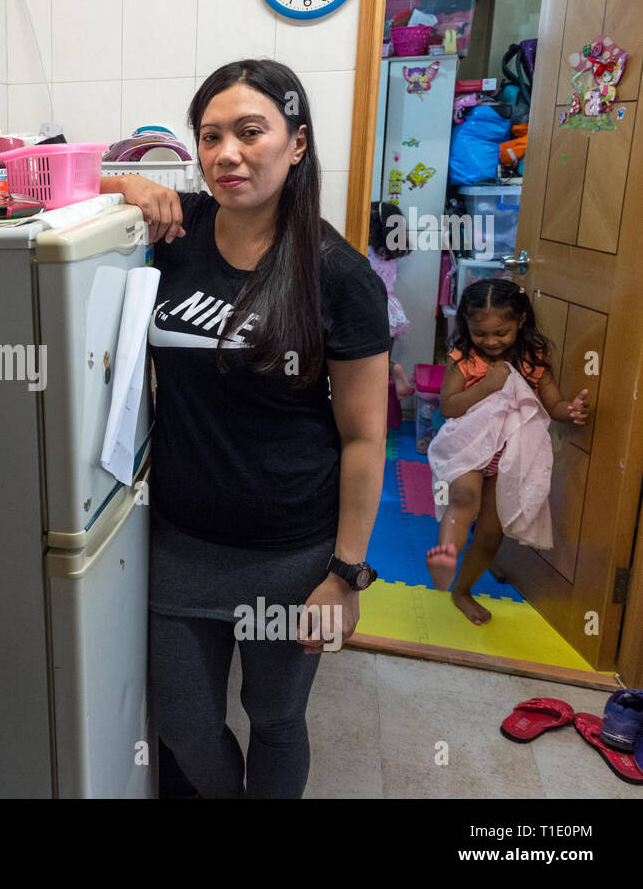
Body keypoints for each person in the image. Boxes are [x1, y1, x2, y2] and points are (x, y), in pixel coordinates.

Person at [101, 59, 389, 798]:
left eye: (250, 132)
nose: (227, 153)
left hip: (290, 551)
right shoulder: (178, 232)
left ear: (296, 144)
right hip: (181, 538)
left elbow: (364, 437)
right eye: (211, 136)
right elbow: (81, 187)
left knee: (275, 717)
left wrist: (345, 575)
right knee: (185, 723)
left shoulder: (339, 272)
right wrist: (132, 182)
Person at [425, 279, 590, 624]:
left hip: (510, 456)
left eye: (501, 332)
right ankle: (446, 554)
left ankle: (462, 590)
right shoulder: (463, 360)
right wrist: (486, 386)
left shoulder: (533, 361)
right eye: (480, 333)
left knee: (490, 532)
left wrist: (570, 410)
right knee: (464, 497)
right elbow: (450, 407)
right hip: (469, 445)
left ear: (521, 321)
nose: (490, 341)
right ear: (467, 327)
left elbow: (553, 404)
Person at [367, 201, 414, 399]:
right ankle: (393, 369)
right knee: (382, 356)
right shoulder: (389, 254)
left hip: (368, 307)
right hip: (390, 309)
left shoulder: (366, 251)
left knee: (367, 359)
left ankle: (392, 371)